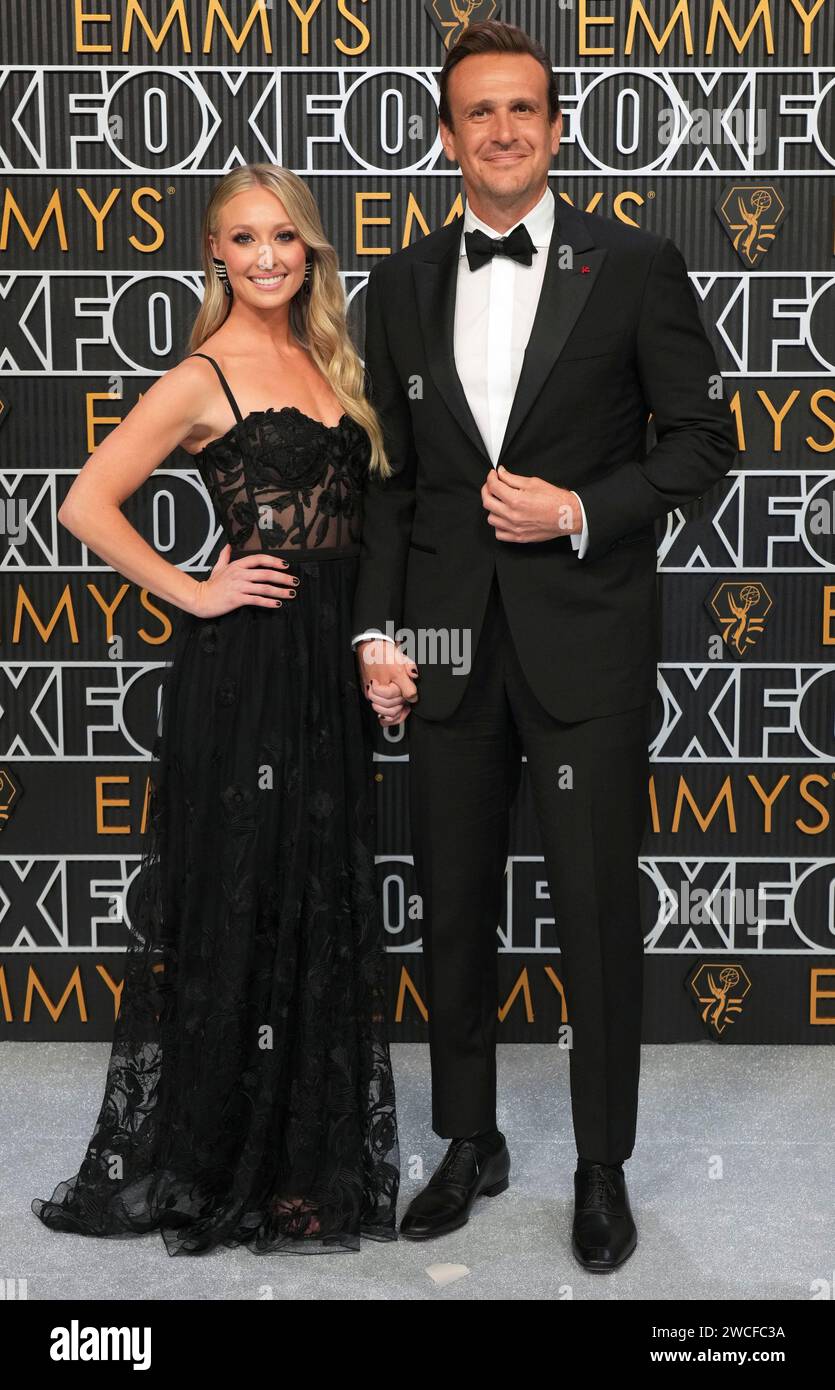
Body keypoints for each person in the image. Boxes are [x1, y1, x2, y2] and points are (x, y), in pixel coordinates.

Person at [353, 21, 737, 1270]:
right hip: (450, 645)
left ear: (557, 127)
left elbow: (697, 443)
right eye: (478, 112)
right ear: (446, 133)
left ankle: (600, 1166)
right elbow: (392, 490)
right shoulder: (400, 284)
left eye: (523, 109)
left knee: (589, 921)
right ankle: (468, 1140)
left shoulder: (633, 263)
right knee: (453, 912)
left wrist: (579, 510)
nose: (502, 131)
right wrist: (378, 630)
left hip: (586, 648)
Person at [31, 164, 400, 1255]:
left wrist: (377, 650)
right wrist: (197, 588)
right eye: (244, 238)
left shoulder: (332, 359)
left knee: (315, 892)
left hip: (328, 670)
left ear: (310, 249)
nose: (268, 255)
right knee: (242, 897)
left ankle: (301, 1162)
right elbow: (85, 502)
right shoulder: (202, 374)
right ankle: (215, 1159)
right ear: (215, 256)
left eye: (284, 235)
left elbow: (365, 529)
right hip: (243, 672)